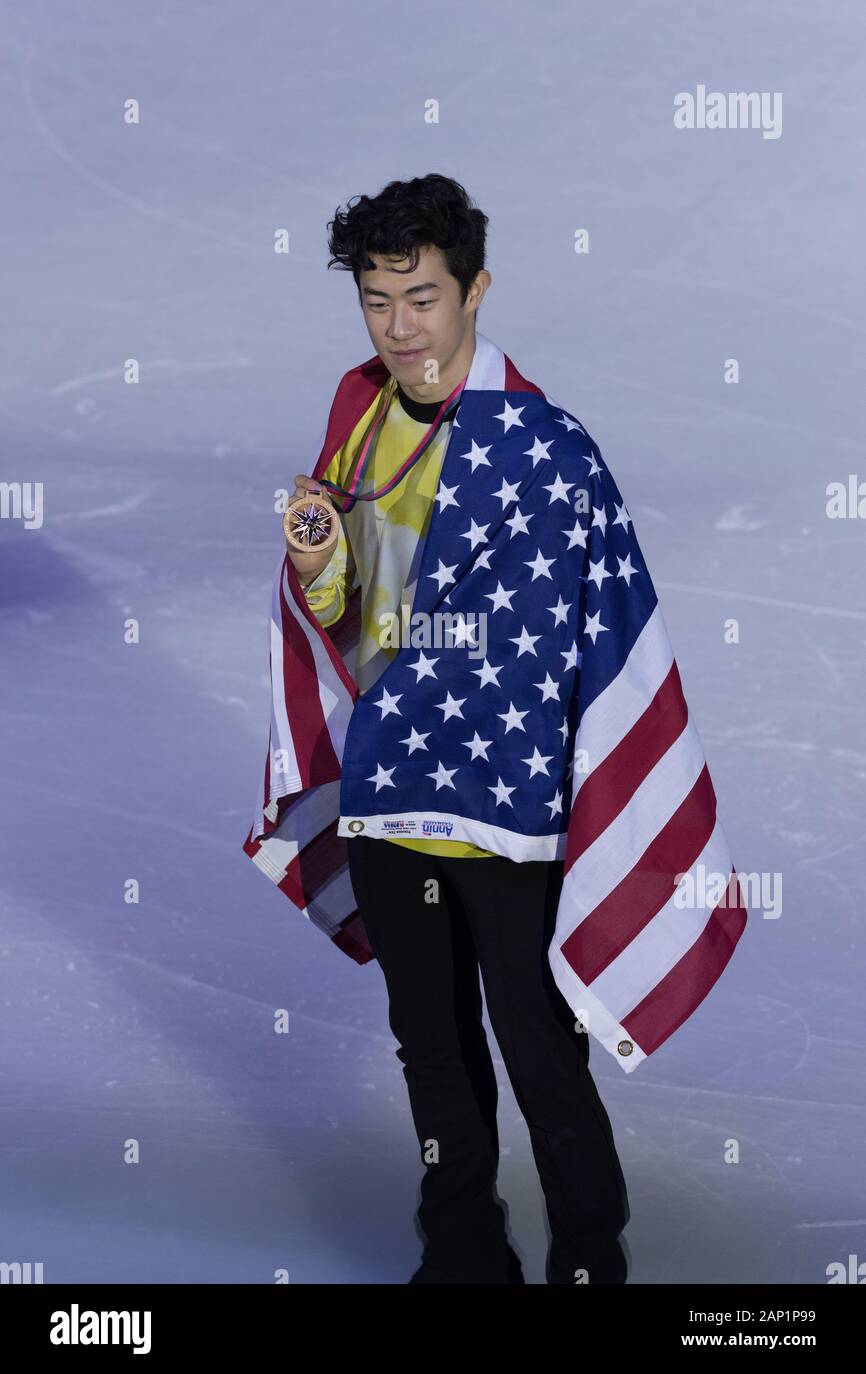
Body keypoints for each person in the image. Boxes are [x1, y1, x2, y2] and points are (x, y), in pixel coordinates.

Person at [282, 174, 630, 1284]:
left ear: (476, 290)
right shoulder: (357, 414)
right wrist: (318, 564)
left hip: (501, 801)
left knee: (537, 1046)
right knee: (430, 1046)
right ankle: (464, 1248)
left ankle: (589, 1255)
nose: (399, 329)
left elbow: (567, 632)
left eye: (422, 298)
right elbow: (348, 611)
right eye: (376, 301)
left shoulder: (538, 445)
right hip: (391, 790)